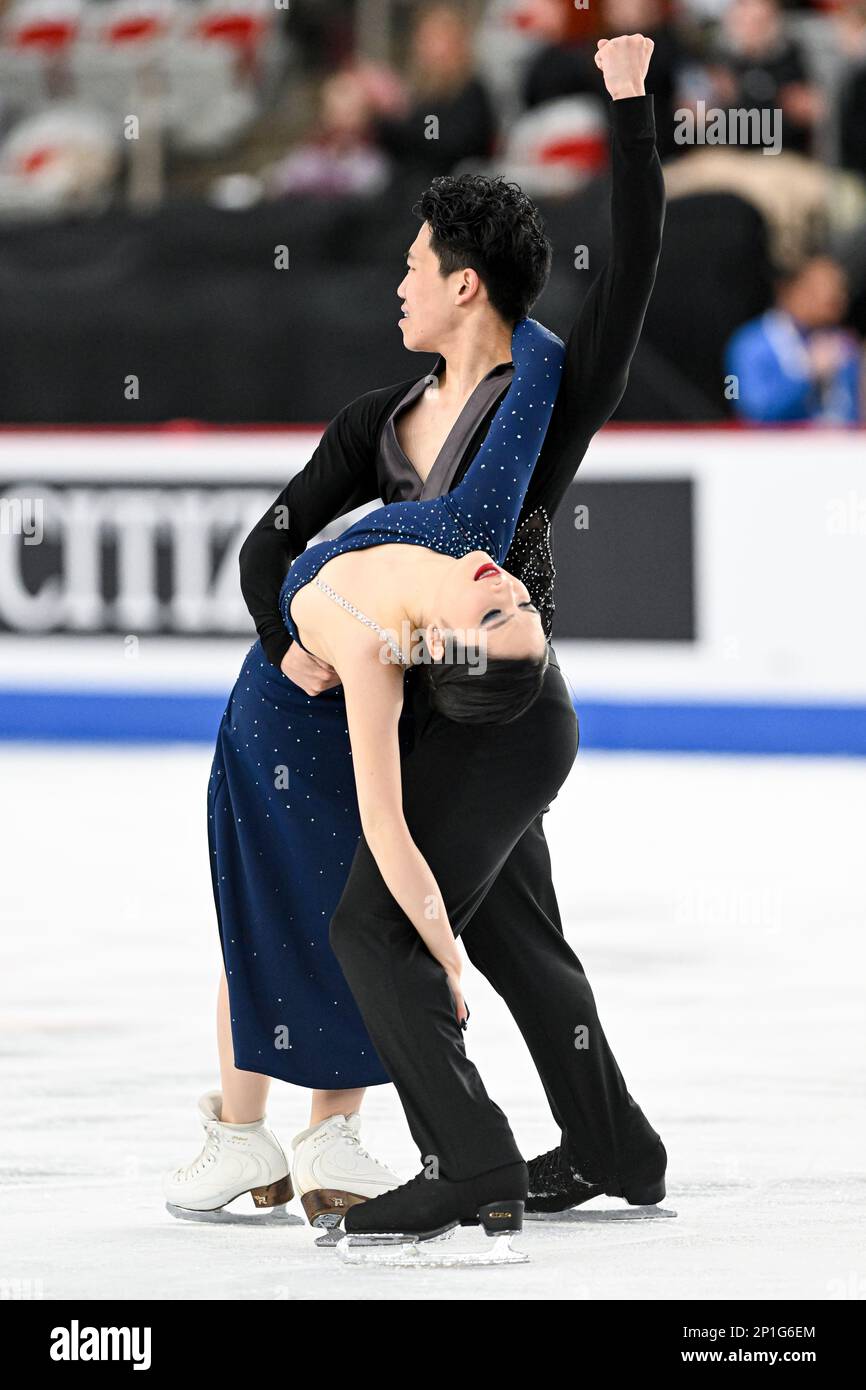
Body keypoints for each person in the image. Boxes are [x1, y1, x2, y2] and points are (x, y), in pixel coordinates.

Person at [165, 33, 667, 1238]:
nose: (395, 284)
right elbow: (267, 548)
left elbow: (634, 268)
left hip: (484, 712)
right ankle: (614, 1146)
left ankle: (471, 1160)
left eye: (412, 264)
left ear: (464, 286)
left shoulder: (543, 395)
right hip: (408, 702)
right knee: (515, 935)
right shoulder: (376, 422)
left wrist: (631, 107)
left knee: (388, 924)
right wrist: (296, 638)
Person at [726, 255, 863, 423]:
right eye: (817, 290)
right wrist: (807, 375)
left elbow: (853, 412)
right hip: (775, 446)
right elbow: (750, 410)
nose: (832, 298)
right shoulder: (749, 343)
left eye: (839, 290)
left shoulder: (843, 344)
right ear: (789, 291)